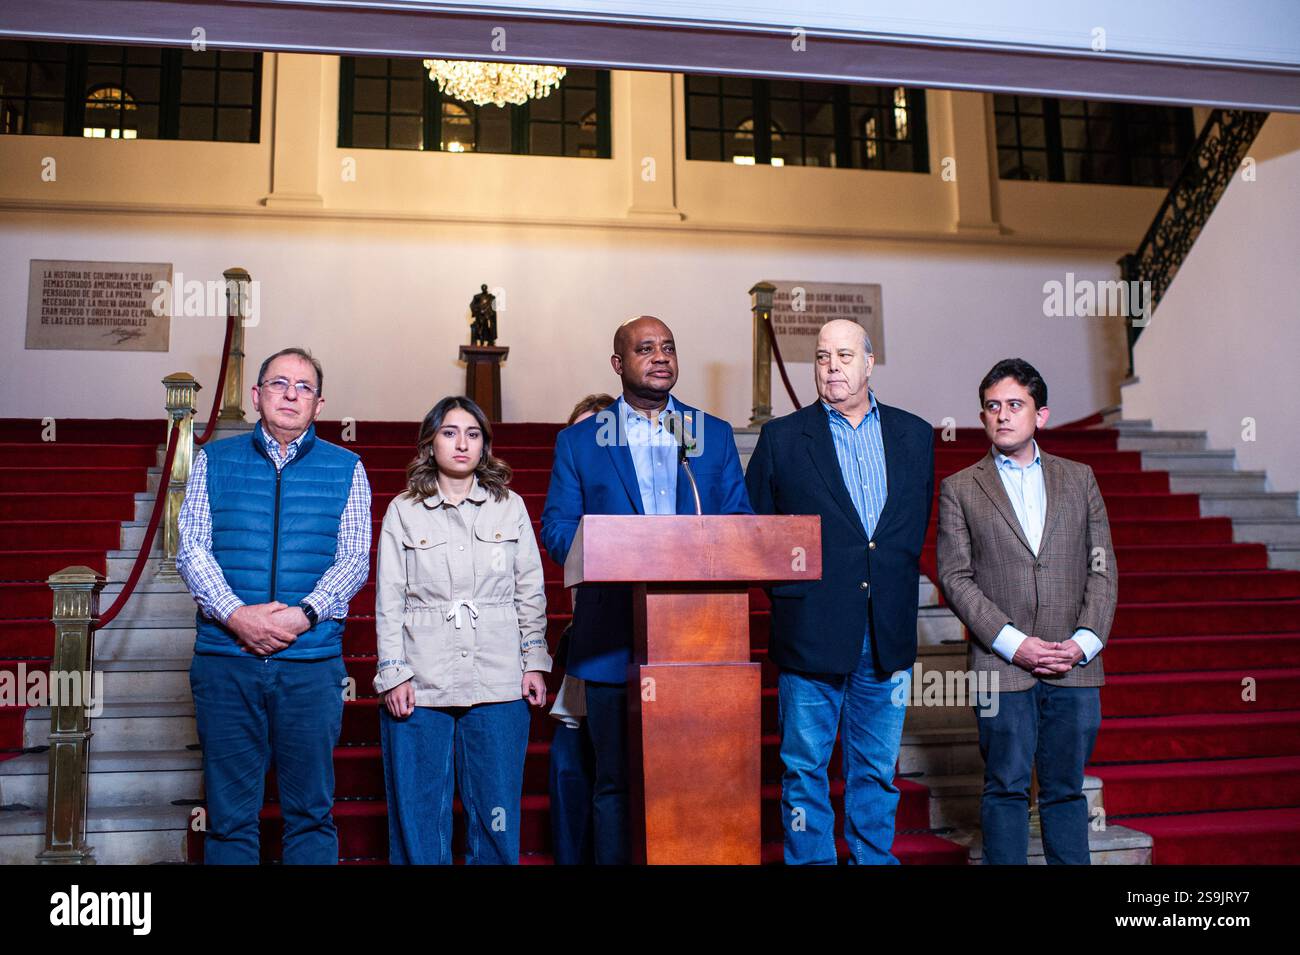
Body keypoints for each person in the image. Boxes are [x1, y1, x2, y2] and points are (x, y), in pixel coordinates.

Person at [540, 316, 752, 864]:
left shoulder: (713, 434)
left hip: (698, 643)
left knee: (692, 782)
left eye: (669, 347)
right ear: (618, 364)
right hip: (611, 642)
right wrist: (618, 550)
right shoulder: (581, 441)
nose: (660, 357)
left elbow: (741, 526)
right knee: (613, 783)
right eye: (645, 348)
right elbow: (558, 530)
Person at [745, 319, 934, 865]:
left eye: (845, 355)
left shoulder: (915, 435)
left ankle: (874, 860)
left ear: (869, 363)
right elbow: (756, 532)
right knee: (804, 769)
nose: (833, 367)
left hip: (886, 633)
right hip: (811, 632)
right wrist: (790, 595)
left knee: (876, 769)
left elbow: (907, 526)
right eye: (823, 357)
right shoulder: (783, 438)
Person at [177, 346, 372, 865]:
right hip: (226, 663)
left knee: (310, 814)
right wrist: (236, 615)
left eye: (304, 387)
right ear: (257, 396)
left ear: (319, 403)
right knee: (229, 819)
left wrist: (302, 614)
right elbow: (192, 548)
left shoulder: (348, 468)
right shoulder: (212, 460)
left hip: (309, 666)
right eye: (280, 384)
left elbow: (354, 559)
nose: (291, 394)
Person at [936, 358, 1117, 865]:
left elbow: (1102, 568)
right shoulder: (960, 488)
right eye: (992, 407)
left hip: (1072, 665)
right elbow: (954, 576)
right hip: (1001, 667)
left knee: (1064, 790)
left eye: (1015, 405)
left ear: (1041, 415)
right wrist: (1015, 643)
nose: (1002, 415)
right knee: (1005, 789)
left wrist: (1082, 643)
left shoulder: (1080, 480)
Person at [373, 395, 551, 865]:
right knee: (419, 815)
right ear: (430, 443)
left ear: (484, 447)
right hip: (422, 680)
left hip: (498, 677)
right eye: (450, 432)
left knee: (495, 813)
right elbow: (388, 599)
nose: (461, 443)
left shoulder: (508, 507)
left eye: (473, 434)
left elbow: (529, 590)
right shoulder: (403, 511)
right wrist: (393, 671)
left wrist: (534, 661)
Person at [547, 392, 616, 865]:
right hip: (587, 647)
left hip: (632, 649)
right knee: (570, 768)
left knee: (613, 774)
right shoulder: (570, 499)